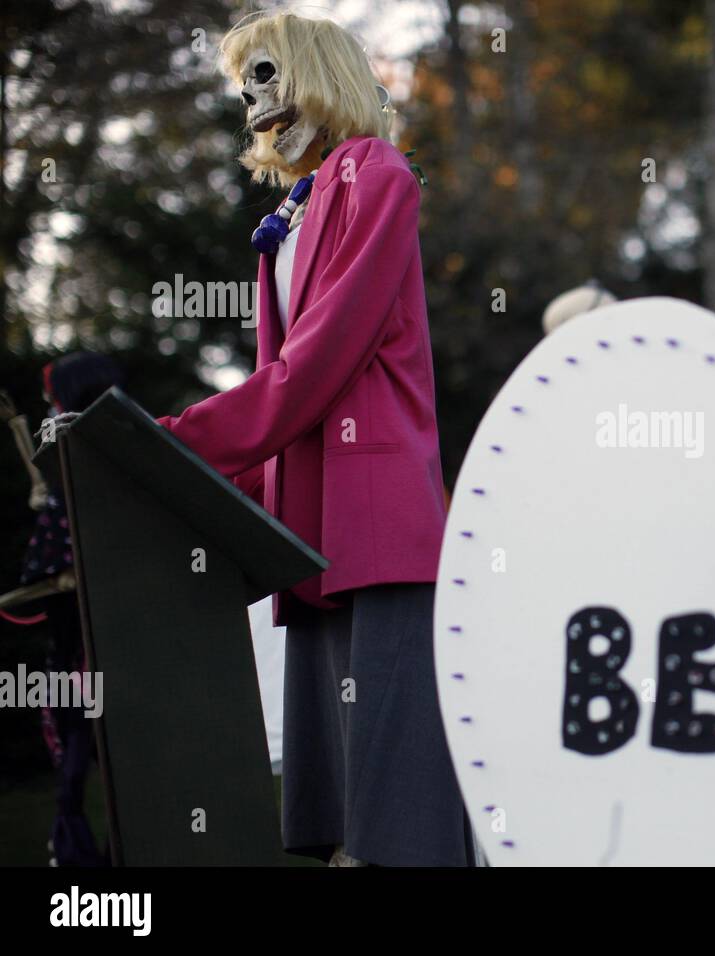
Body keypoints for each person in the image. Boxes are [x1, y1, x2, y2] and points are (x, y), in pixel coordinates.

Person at [152, 11, 468, 866]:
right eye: (241, 84)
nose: (250, 100)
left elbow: (318, 365)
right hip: (313, 537)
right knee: (345, 828)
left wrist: (176, 441)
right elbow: (287, 410)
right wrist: (188, 493)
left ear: (320, 74)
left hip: (378, 530)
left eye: (265, 74)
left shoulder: (378, 174)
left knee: (400, 814)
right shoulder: (290, 217)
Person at [3, 352, 122, 866]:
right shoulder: (70, 447)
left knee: (111, 754)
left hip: (108, 639)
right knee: (76, 746)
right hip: (74, 641)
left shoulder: (101, 447)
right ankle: (75, 851)